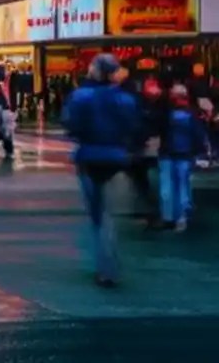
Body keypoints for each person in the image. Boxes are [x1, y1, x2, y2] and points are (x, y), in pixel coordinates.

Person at [62, 54, 140, 287]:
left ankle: (105, 268)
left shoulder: (81, 96)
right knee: (109, 212)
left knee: (98, 214)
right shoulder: (125, 98)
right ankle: (110, 265)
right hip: (117, 157)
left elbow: (71, 124)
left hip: (89, 157)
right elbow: (134, 126)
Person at [159, 85, 207, 231]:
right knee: (183, 186)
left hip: (167, 153)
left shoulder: (165, 113)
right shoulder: (192, 114)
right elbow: (198, 135)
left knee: (167, 186)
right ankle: (182, 217)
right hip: (185, 154)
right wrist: (200, 152)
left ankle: (168, 217)